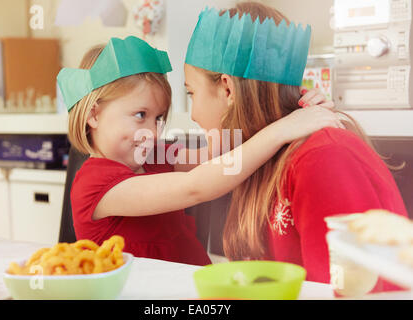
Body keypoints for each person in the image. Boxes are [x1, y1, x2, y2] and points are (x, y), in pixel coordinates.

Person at [183, 1, 409, 290]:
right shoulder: (260, 155)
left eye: (191, 93)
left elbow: (338, 292)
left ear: (227, 89)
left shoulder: (323, 158)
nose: (192, 115)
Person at [58, 36, 339, 266]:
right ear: (93, 115)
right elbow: (196, 187)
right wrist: (281, 130)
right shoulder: (94, 186)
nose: (154, 132)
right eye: (140, 114)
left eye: (158, 118)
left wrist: (288, 107)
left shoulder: (155, 155)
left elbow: (220, 153)